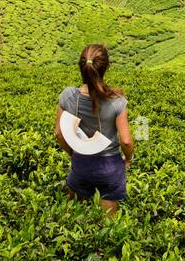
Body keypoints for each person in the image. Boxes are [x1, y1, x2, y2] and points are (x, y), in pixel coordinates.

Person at [54, 43, 133, 219]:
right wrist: (128, 159)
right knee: (109, 225)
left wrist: (73, 153)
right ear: (106, 67)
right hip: (110, 167)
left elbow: (59, 134)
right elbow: (126, 141)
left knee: (74, 218)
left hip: (81, 163)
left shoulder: (67, 96)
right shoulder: (117, 101)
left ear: (81, 67)